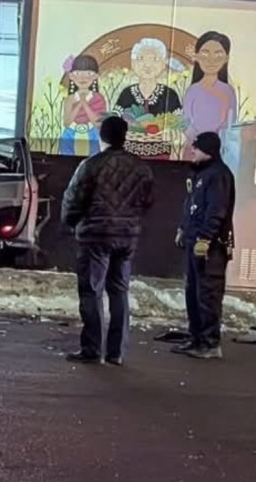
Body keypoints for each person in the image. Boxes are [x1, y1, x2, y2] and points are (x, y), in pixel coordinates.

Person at [60, 115, 154, 365]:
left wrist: (71, 223)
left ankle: (92, 349)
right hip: (127, 236)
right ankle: (116, 352)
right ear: (125, 136)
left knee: (92, 290)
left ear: (102, 136)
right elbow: (148, 201)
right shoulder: (142, 168)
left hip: (96, 236)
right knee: (119, 291)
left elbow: (73, 199)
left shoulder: (91, 165)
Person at [175, 131, 235, 360]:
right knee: (193, 293)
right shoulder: (200, 173)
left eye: (196, 147)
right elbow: (191, 204)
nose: (192, 150)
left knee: (208, 294)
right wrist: (183, 228)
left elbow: (216, 210)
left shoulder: (219, 175)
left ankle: (210, 343)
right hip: (193, 240)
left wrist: (204, 238)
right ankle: (196, 339)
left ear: (208, 150)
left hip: (211, 247)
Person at [181, 31, 237, 159]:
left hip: (219, 152)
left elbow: (230, 123)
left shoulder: (228, 91)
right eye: (205, 54)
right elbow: (186, 122)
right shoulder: (192, 90)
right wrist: (199, 143)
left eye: (218, 55)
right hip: (193, 151)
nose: (211, 60)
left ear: (226, 59)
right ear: (197, 56)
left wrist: (215, 144)